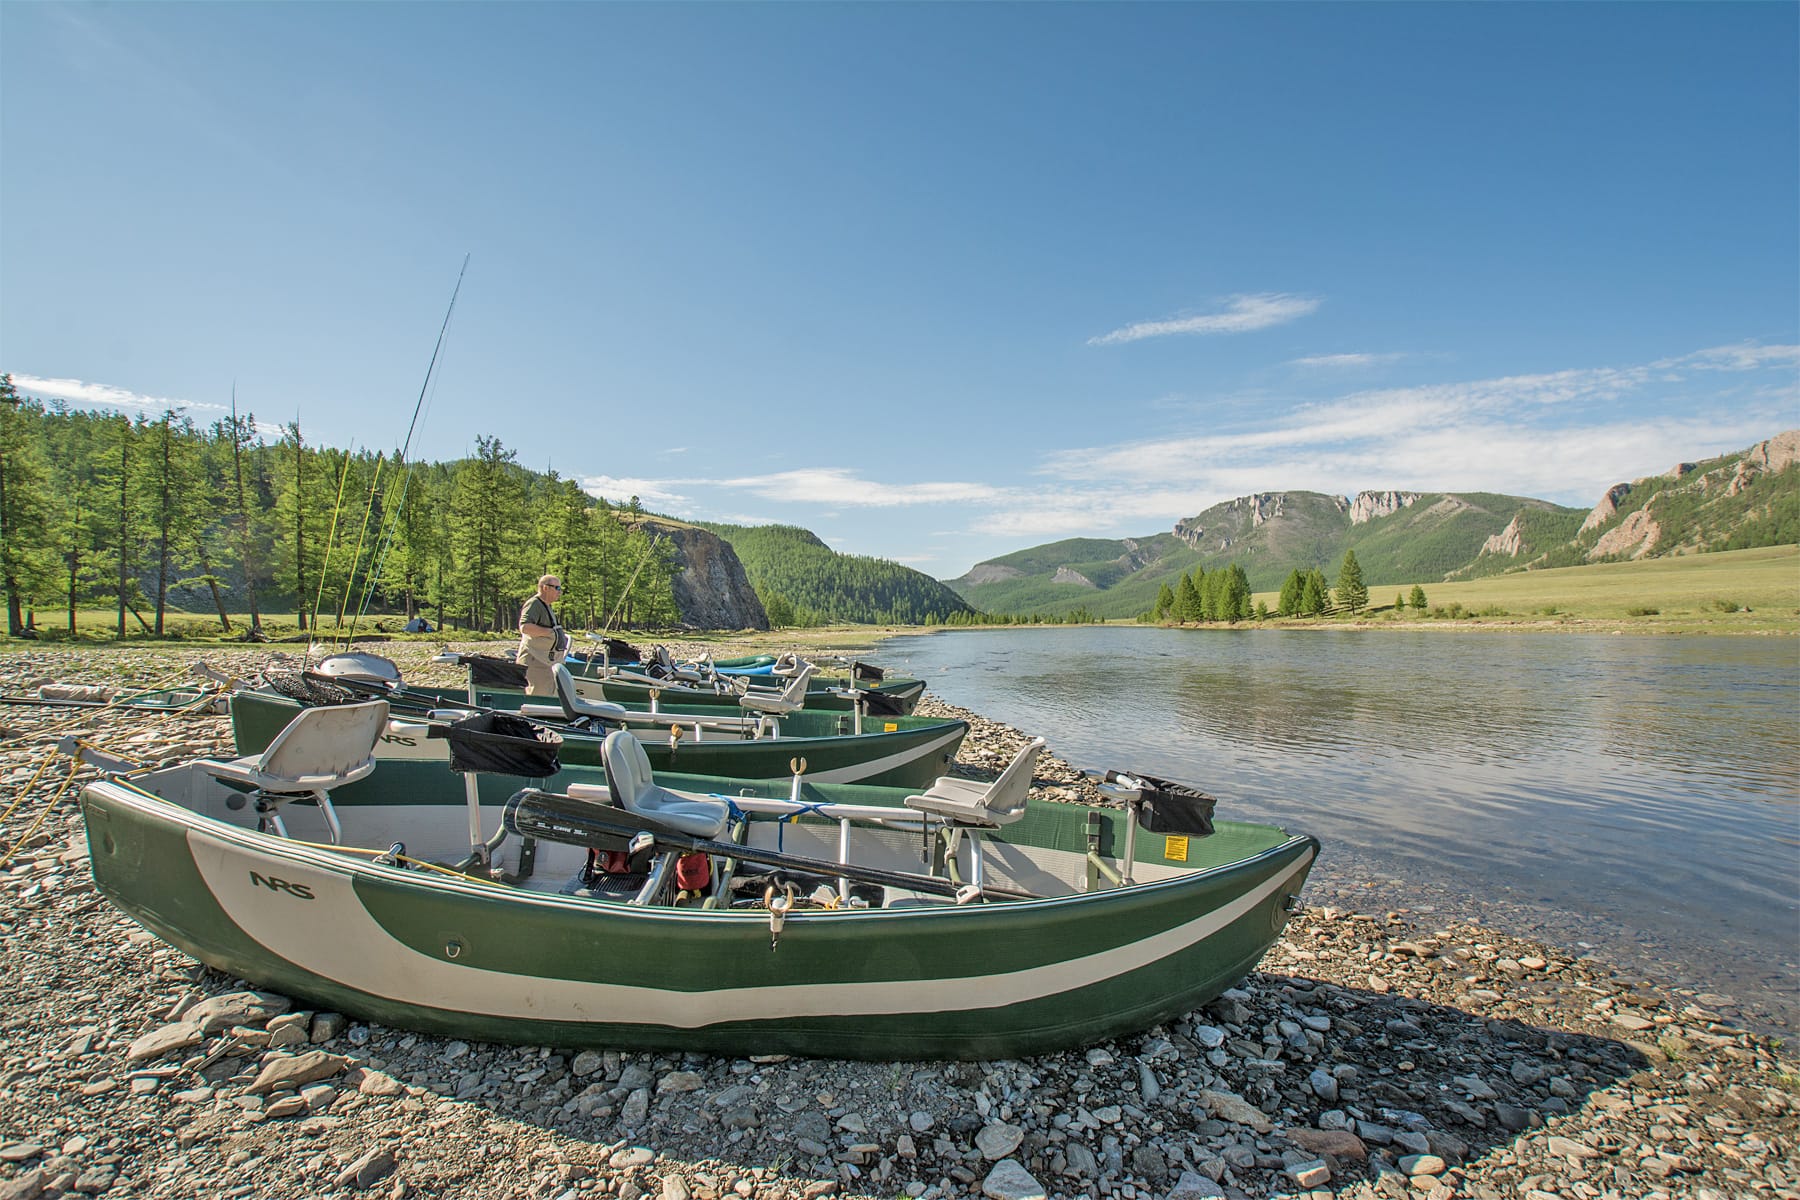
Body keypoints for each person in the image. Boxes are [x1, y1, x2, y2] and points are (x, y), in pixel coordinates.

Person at [516, 574, 567, 696]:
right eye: (557, 588)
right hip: (535, 661)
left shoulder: (547, 606)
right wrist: (550, 632)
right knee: (538, 696)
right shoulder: (534, 604)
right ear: (545, 588)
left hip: (546, 661)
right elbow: (525, 627)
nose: (559, 592)